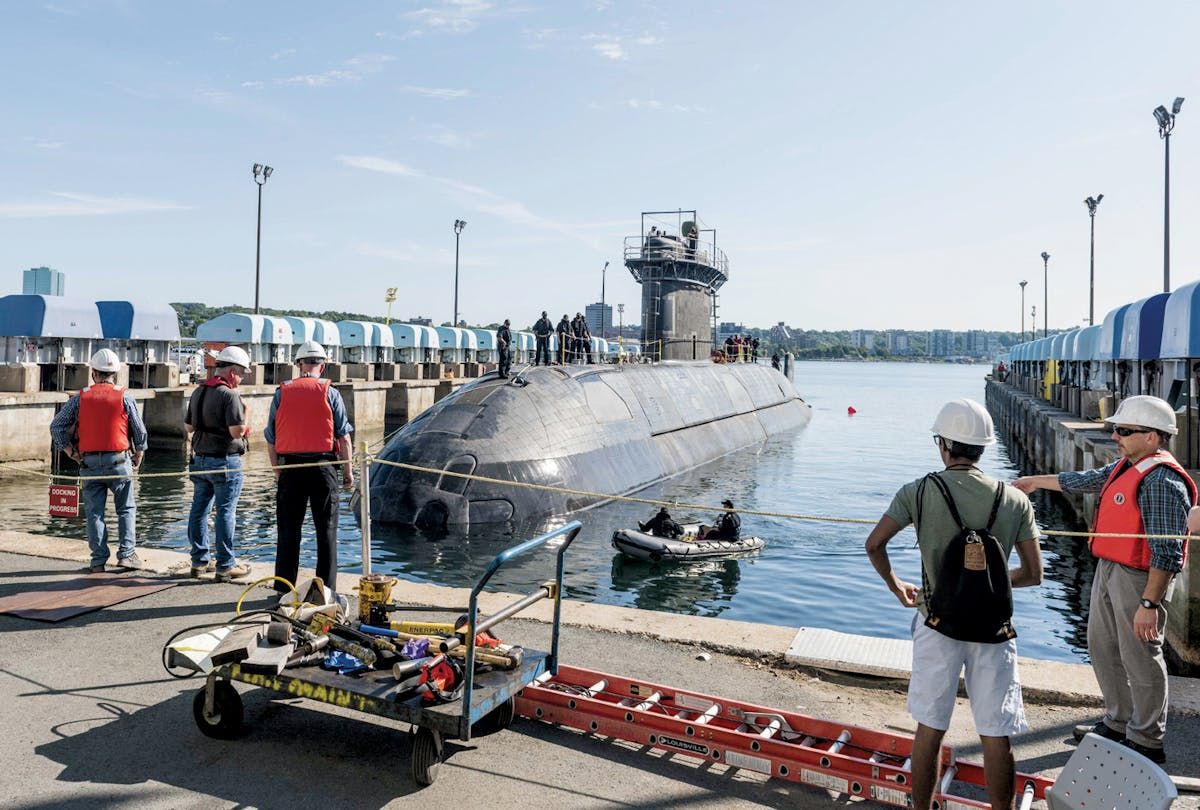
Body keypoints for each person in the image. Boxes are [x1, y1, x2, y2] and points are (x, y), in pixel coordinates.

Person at [866, 399, 1042, 810]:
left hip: (936, 624)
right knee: (996, 733)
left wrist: (896, 586)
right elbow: (1034, 574)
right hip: (993, 631)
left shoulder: (919, 491)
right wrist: (987, 583)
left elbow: (874, 544)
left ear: (944, 444)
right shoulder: (1014, 500)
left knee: (929, 729)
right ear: (983, 447)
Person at [1014, 395, 1195, 766]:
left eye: (1125, 431)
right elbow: (1083, 479)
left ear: (1152, 438)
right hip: (1110, 568)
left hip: (1141, 578)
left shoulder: (1161, 480)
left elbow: (1167, 552)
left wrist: (1149, 603)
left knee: (1141, 657)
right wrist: (1033, 482)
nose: (1115, 436)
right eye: (1115, 429)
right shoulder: (1127, 466)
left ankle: (1146, 740)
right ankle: (1119, 721)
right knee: (1103, 648)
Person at [264, 340, 354, 594]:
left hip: (290, 469)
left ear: (298, 364)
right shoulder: (330, 392)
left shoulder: (282, 392)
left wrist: (276, 469)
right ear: (322, 366)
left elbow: (270, 437)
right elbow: (344, 437)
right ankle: (325, 591)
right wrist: (347, 472)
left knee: (288, 532)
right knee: (326, 532)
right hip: (323, 468)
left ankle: (283, 589)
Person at [49, 348, 148, 573]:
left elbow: (56, 426)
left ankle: (97, 561)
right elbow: (139, 431)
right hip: (119, 462)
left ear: (93, 373)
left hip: (89, 463)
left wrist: (68, 451)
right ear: (115, 373)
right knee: (126, 508)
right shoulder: (125, 396)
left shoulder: (80, 398)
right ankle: (127, 555)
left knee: (94, 513)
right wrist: (139, 452)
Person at [185, 345, 252, 581]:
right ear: (233, 372)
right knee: (226, 511)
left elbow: (189, 427)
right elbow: (236, 432)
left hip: (199, 459)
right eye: (243, 373)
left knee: (199, 511)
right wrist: (246, 415)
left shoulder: (198, 391)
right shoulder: (230, 395)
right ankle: (225, 565)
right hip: (224, 461)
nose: (243, 378)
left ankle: (198, 561)